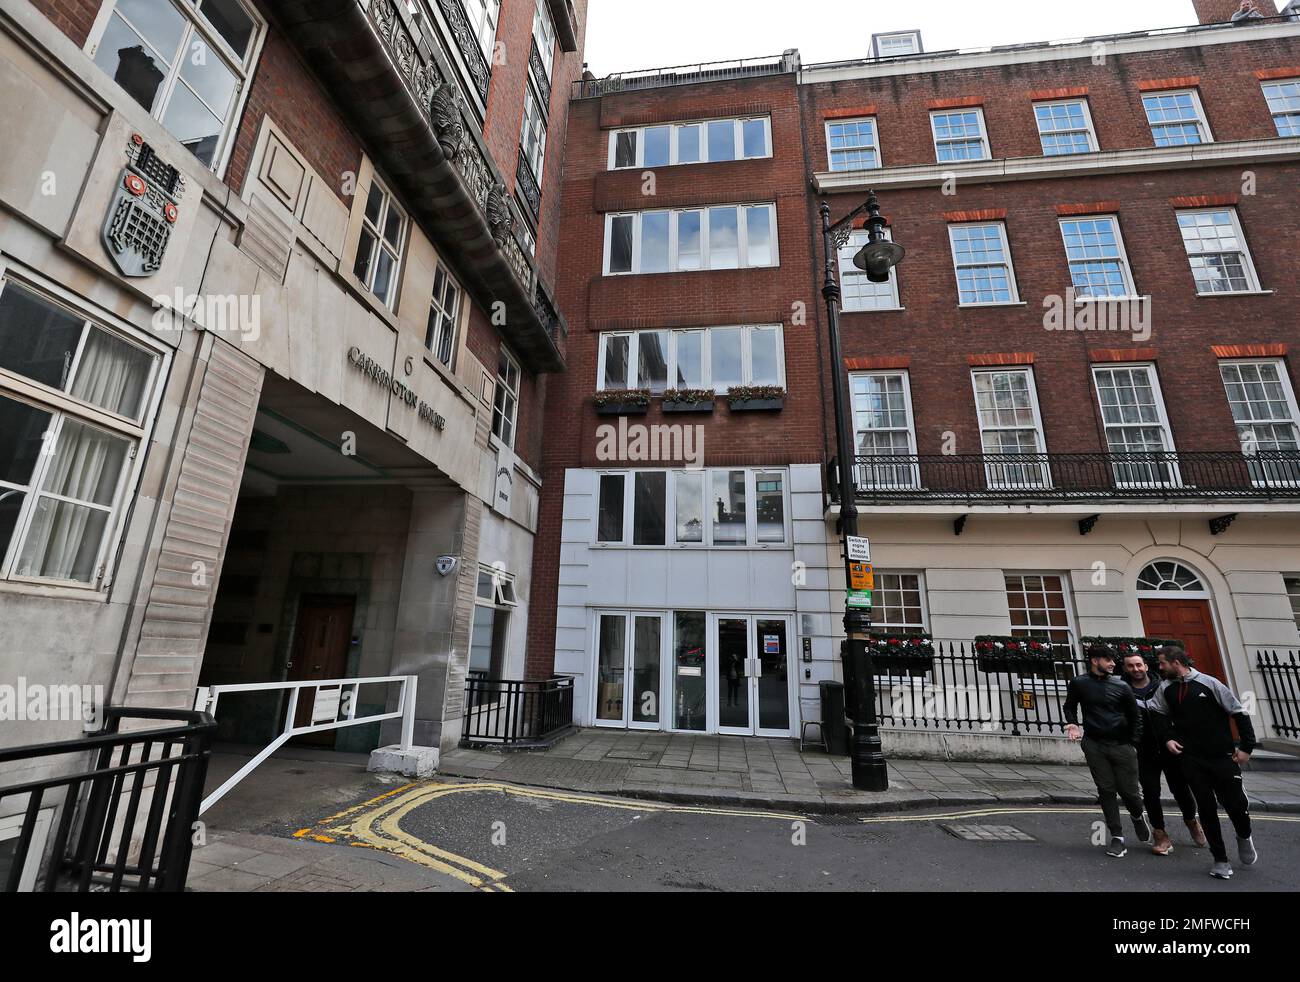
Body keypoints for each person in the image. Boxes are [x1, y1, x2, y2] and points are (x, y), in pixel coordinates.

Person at [1148, 649, 1259, 880]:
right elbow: (1157, 713)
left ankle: (1244, 835)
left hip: (1222, 756)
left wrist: (1246, 747)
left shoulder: (1210, 683)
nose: (1159, 667)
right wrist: (1167, 738)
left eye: (1162, 663)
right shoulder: (1165, 688)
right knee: (1206, 808)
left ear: (1175, 662)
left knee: (1236, 805)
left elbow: (1238, 712)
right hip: (1191, 758)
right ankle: (1220, 859)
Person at [1064, 648, 1150, 858]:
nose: (1112, 664)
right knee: (1106, 789)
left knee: (1130, 792)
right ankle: (1117, 837)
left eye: (1113, 660)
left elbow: (1135, 717)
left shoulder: (1122, 686)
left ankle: (1137, 816)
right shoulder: (1079, 683)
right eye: (1108, 660)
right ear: (1095, 661)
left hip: (1121, 745)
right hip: (1094, 745)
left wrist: (1133, 743)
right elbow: (1069, 706)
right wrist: (1073, 724)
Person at [1121, 651, 1205, 855]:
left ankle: (1191, 821)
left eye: (1138, 664)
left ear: (1145, 666)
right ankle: (1160, 834)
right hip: (1143, 749)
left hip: (1170, 747)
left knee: (1181, 789)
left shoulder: (1164, 686)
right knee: (1150, 792)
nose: (1135, 669)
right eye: (1130, 666)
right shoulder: (1122, 691)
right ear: (1125, 669)